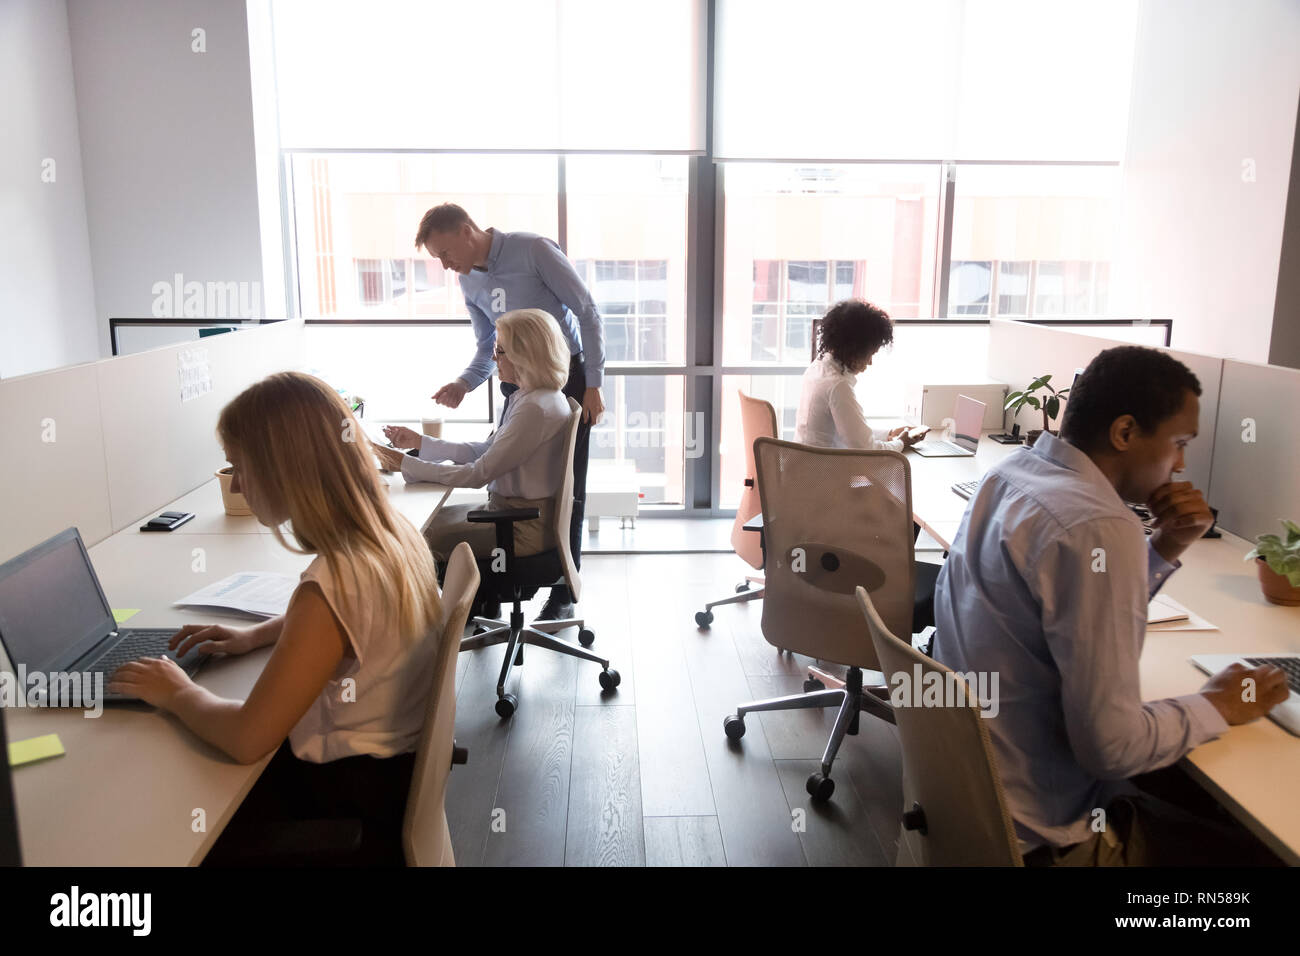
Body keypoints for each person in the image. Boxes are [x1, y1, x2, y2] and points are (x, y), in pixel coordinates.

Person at [930, 345, 1289, 866]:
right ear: (1124, 433)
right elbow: (1111, 748)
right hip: (1047, 838)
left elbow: (1077, 605)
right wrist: (1218, 705)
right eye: (1179, 443)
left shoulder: (1009, 475)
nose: (1182, 463)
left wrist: (1164, 547)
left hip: (971, 805)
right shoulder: (1098, 524)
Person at [108, 372, 444, 865]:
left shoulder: (331, 585)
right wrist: (258, 635)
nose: (237, 485)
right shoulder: (390, 533)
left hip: (345, 799)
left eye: (240, 467)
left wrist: (176, 691)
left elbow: (248, 738)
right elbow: (357, 631)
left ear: (287, 469)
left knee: (161, 813)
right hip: (389, 777)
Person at [415, 203, 603, 621]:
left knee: (566, 485)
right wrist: (465, 383)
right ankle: (497, 582)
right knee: (506, 467)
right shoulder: (469, 282)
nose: (446, 266)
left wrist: (594, 382)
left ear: (466, 231)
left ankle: (561, 589)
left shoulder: (533, 251)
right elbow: (487, 347)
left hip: (566, 372)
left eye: (445, 254)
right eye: (438, 260)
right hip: (513, 373)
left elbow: (587, 310)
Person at [377, 309, 572, 614]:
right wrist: (420, 444)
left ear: (524, 354)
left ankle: (423, 633)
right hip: (511, 514)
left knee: (409, 535)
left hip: (519, 528)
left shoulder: (535, 408)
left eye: (500, 350)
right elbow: (485, 450)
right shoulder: (531, 397)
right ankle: (468, 607)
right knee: (415, 525)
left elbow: (477, 474)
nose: (494, 359)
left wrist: (402, 463)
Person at [795, 299, 926, 452]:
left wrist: (889, 433)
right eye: (870, 354)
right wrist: (901, 443)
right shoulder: (837, 386)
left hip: (804, 466)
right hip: (823, 472)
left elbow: (849, 430)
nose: (870, 362)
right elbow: (865, 449)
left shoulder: (818, 367)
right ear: (855, 349)